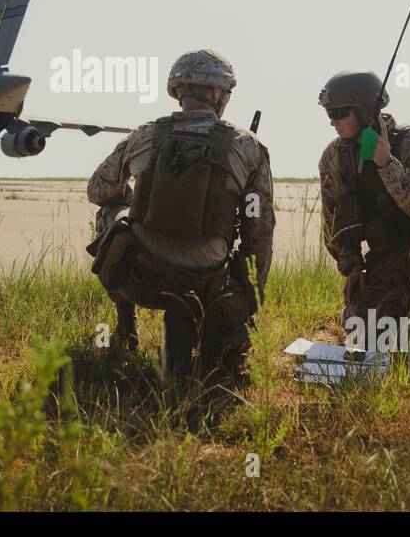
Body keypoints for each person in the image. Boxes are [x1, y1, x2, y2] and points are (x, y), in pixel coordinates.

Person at [86, 49, 275, 384]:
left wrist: (133, 202)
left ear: (179, 91)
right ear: (217, 93)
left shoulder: (144, 134)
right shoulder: (248, 146)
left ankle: (125, 322)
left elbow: (97, 190)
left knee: (111, 213)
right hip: (205, 282)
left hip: (140, 277)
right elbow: (258, 229)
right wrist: (249, 296)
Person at [317, 70, 410, 349]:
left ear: (364, 111)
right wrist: (352, 267)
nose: (332, 121)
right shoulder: (334, 158)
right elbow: (332, 219)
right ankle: (398, 311)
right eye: (329, 112)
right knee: (362, 333)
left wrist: (386, 163)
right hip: (386, 258)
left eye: (339, 112)